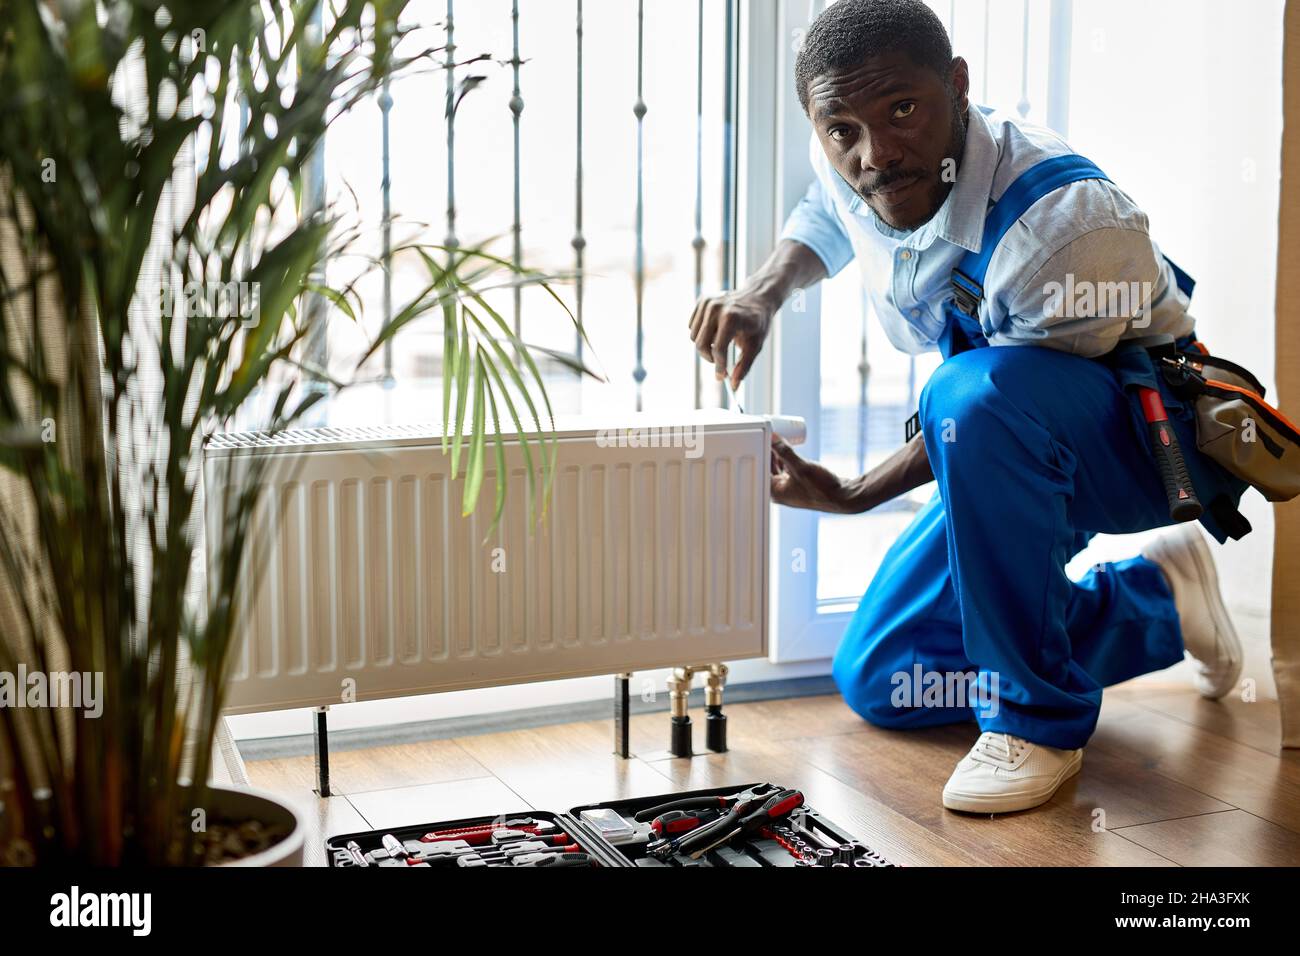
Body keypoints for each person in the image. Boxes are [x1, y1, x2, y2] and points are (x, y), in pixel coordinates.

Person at [688, 0, 1247, 814]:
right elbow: (828, 213)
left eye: (902, 110)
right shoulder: (865, 159)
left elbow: (1006, 405)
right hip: (1000, 437)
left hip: (1141, 440)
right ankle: (1157, 597)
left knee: (968, 392)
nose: (875, 153)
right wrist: (761, 294)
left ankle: (1037, 724)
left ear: (958, 86)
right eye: (840, 128)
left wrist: (852, 495)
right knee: (885, 677)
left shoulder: (1066, 227)